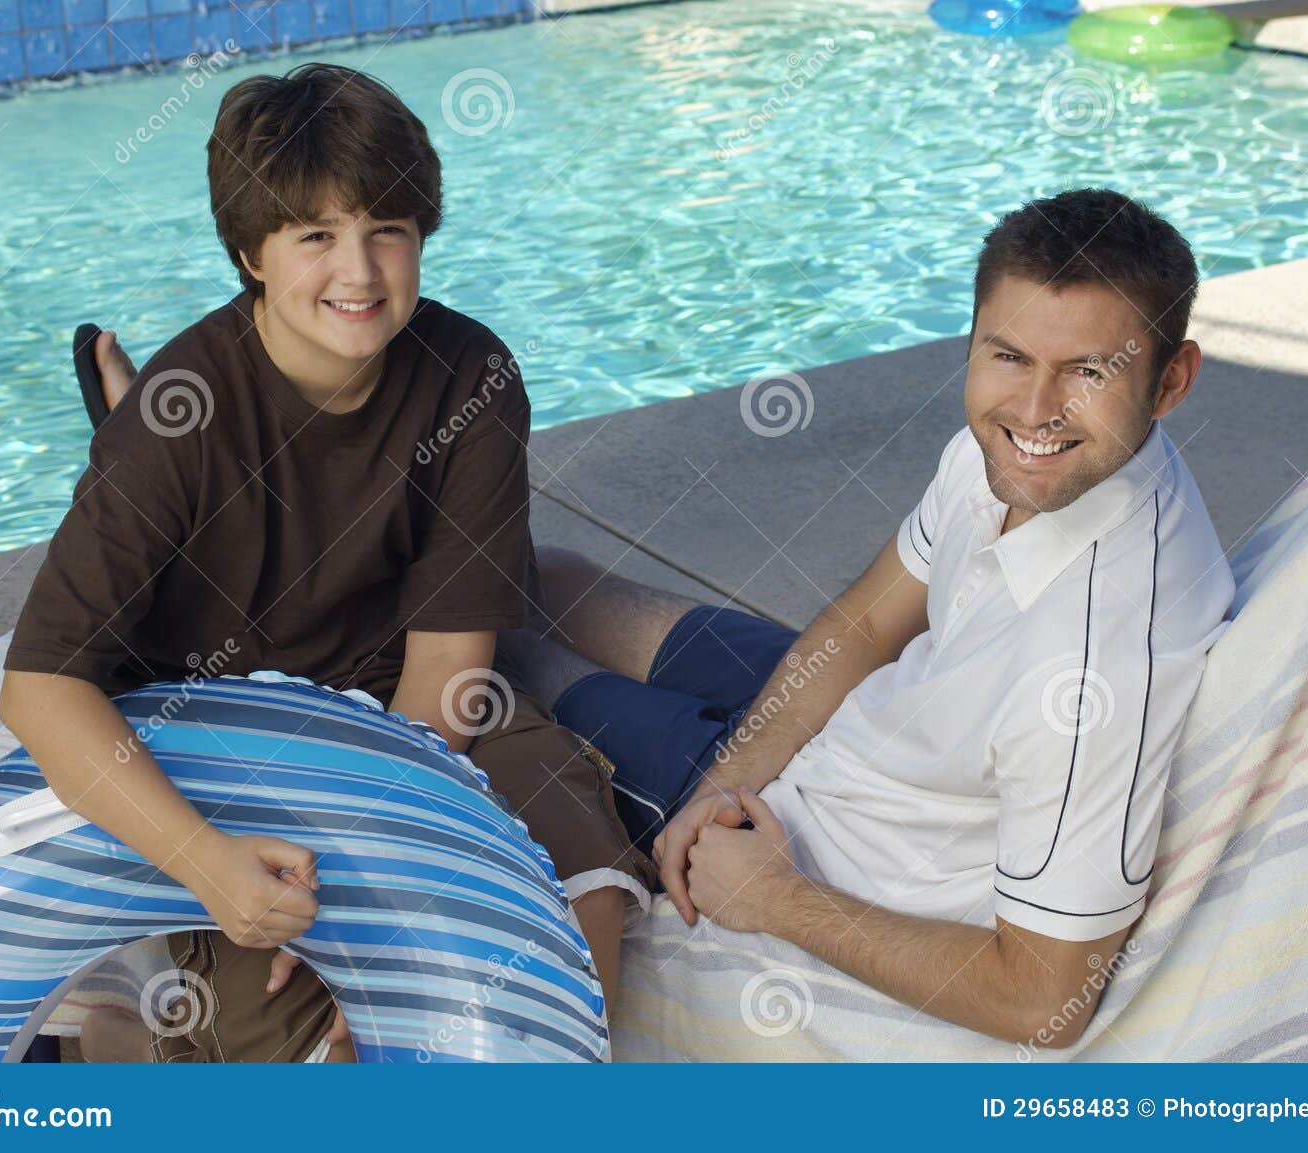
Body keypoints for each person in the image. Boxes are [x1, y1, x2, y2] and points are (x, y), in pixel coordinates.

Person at [0, 63, 652, 1063]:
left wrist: (389, 897)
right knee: (288, 1018)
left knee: (571, 889)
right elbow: (39, 689)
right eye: (314, 236)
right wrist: (210, 865)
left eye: (387, 229)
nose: (360, 271)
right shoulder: (179, 421)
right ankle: (119, 1042)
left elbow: (447, 673)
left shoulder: (470, 378)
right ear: (249, 253)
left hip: (401, 712)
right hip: (227, 727)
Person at [499, 189, 1237, 1047]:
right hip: (870, 711)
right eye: (1009, 355)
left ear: (1171, 380)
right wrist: (725, 781)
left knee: (519, 666)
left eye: (1089, 372)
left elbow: (1042, 999)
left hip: (816, 832)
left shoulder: (1091, 666)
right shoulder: (1008, 455)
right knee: (553, 578)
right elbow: (867, 624)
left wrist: (775, 897)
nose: (1036, 409)